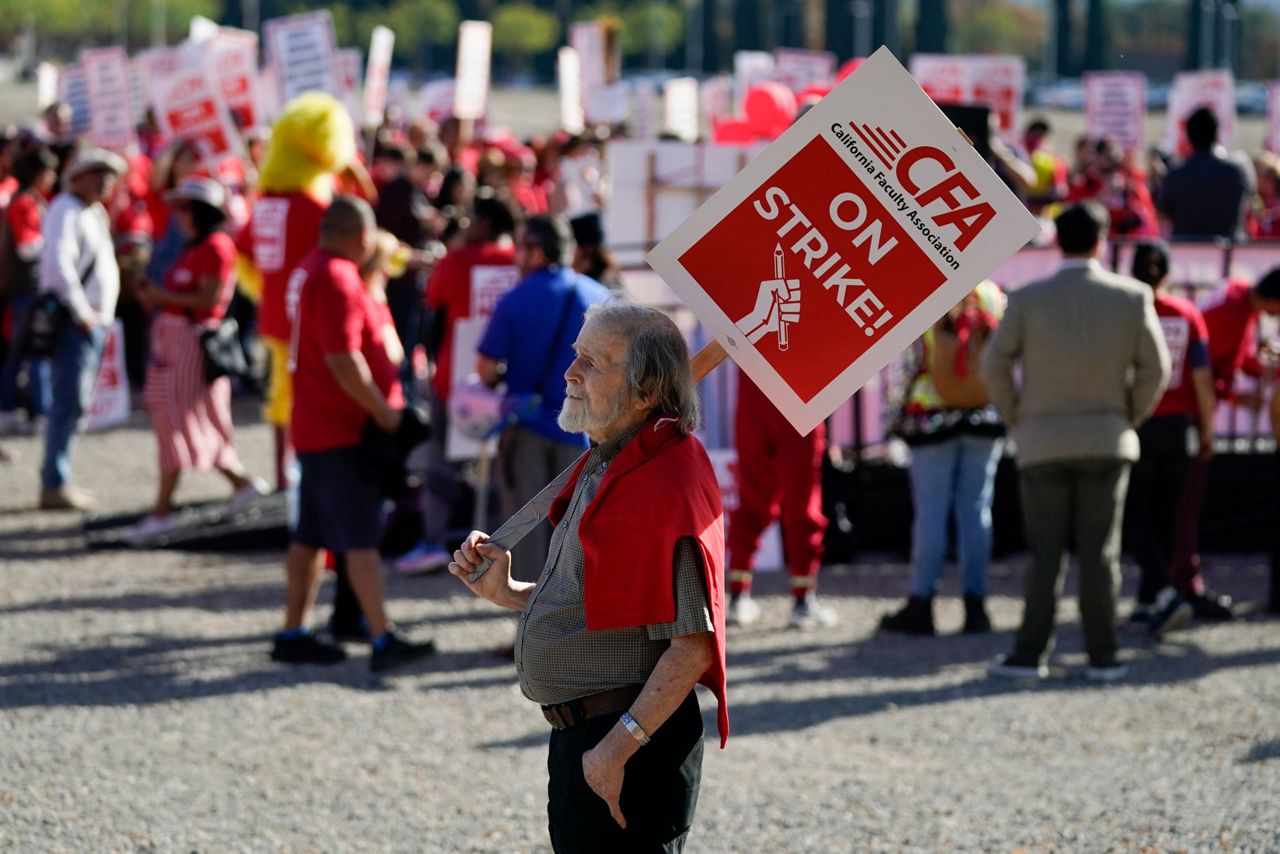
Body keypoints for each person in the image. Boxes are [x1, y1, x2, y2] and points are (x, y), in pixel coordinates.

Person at [448, 302, 727, 852]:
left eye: (593, 361)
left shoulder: (667, 478)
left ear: (646, 388)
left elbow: (693, 643)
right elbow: (610, 608)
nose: (570, 373)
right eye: (577, 355)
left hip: (625, 742)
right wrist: (513, 593)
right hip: (591, 736)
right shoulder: (612, 463)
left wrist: (618, 748)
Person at [981, 202, 1169, 682]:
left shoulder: (1026, 298)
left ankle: (1030, 654)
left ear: (1057, 239)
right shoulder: (1131, 297)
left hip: (1041, 441)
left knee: (1045, 555)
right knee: (1101, 554)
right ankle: (1102, 656)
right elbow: (1157, 369)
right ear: (1102, 241)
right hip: (1107, 438)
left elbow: (993, 365)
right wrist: (1128, 413)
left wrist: (1018, 418)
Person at [270, 196, 435, 671]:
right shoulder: (338, 276)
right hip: (340, 429)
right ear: (362, 236)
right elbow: (343, 358)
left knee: (311, 537)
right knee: (359, 537)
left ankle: (294, 630)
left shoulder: (310, 268)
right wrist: (384, 412)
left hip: (319, 424)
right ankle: (382, 638)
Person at [127, 178, 267, 542]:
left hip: (191, 344)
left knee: (176, 419)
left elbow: (209, 301)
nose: (178, 215)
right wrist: (153, 295)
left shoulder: (217, 247)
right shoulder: (195, 247)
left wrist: (161, 294)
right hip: (175, 342)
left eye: (185, 208)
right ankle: (242, 484)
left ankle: (163, 511)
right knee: (185, 418)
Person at [476, 214, 610, 581]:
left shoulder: (515, 299)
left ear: (535, 253)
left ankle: (530, 629)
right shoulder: (597, 295)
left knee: (525, 534)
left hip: (527, 429)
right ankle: (575, 627)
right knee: (578, 531)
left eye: (520, 248)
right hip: (587, 434)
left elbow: (486, 370)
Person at [393, 187, 520, 574]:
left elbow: (432, 310)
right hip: (511, 387)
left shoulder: (457, 261)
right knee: (505, 467)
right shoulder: (521, 262)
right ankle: (505, 549)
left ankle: (433, 541)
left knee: (442, 465)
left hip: (456, 383)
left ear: (482, 223)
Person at [879, 281, 1006, 636]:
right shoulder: (993, 296)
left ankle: (922, 603)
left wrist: (893, 423)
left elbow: (907, 365)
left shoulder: (927, 292)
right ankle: (976, 605)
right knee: (977, 511)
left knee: (931, 513)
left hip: (931, 419)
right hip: (984, 418)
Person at [1177, 269, 1280, 621]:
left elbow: (1234, 362)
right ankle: (1182, 587)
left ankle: (1177, 585)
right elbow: (1205, 371)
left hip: (1187, 408)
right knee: (1185, 504)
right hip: (1189, 412)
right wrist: (1229, 403)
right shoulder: (1233, 315)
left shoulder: (1237, 296)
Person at [1124, 242, 1213, 638]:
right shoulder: (1188, 314)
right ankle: (1152, 600)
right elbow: (1202, 380)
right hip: (1179, 428)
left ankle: (1158, 595)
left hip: (1135, 423)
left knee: (1132, 516)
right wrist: (1207, 431)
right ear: (1169, 273)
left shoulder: (1123, 312)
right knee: (1164, 516)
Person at [37, 148, 127, 511]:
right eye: (96, 173)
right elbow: (58, 265)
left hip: (92, 320)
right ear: (76, 177)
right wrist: (81, 311)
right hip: (78, 322)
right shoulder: (65, 209)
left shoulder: (92, 210)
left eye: (108, 174)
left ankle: (59, 477)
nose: (104, 180)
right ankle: (54, 481)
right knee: (68, 399)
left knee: (76, 400)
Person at [723, 374, 834, 630]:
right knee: (802, 501)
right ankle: (803, 600)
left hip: (757, 394)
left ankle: (740, 595)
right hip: (799, 391)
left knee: (753, 498)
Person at [0, 145, 58, 435]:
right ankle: (38, 413)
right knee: (33, 355)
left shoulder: (31, 199)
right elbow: (25, 248)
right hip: (26, 289)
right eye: (50, 171)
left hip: (27, 288)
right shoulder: (23, 202)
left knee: (20, 354)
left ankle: (12, 409)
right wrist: (54, 241)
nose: (54, 176)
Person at [1157, 106, 1250, 241]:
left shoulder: (1175, 175)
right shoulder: (1237, 172)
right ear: (1216, 134)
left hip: (1186, 255)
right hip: (1228, 254)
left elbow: (1163, 214)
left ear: (1188, 136)